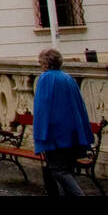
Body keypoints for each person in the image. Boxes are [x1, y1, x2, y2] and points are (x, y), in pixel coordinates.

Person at [33, 47, 92, 196]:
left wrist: (40, 135)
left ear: (45, 63)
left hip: (56, 135)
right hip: (73, 133)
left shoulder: (46, 78)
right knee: (66, 170)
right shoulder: (67, 78)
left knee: (58, 171)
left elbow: (42, 109)